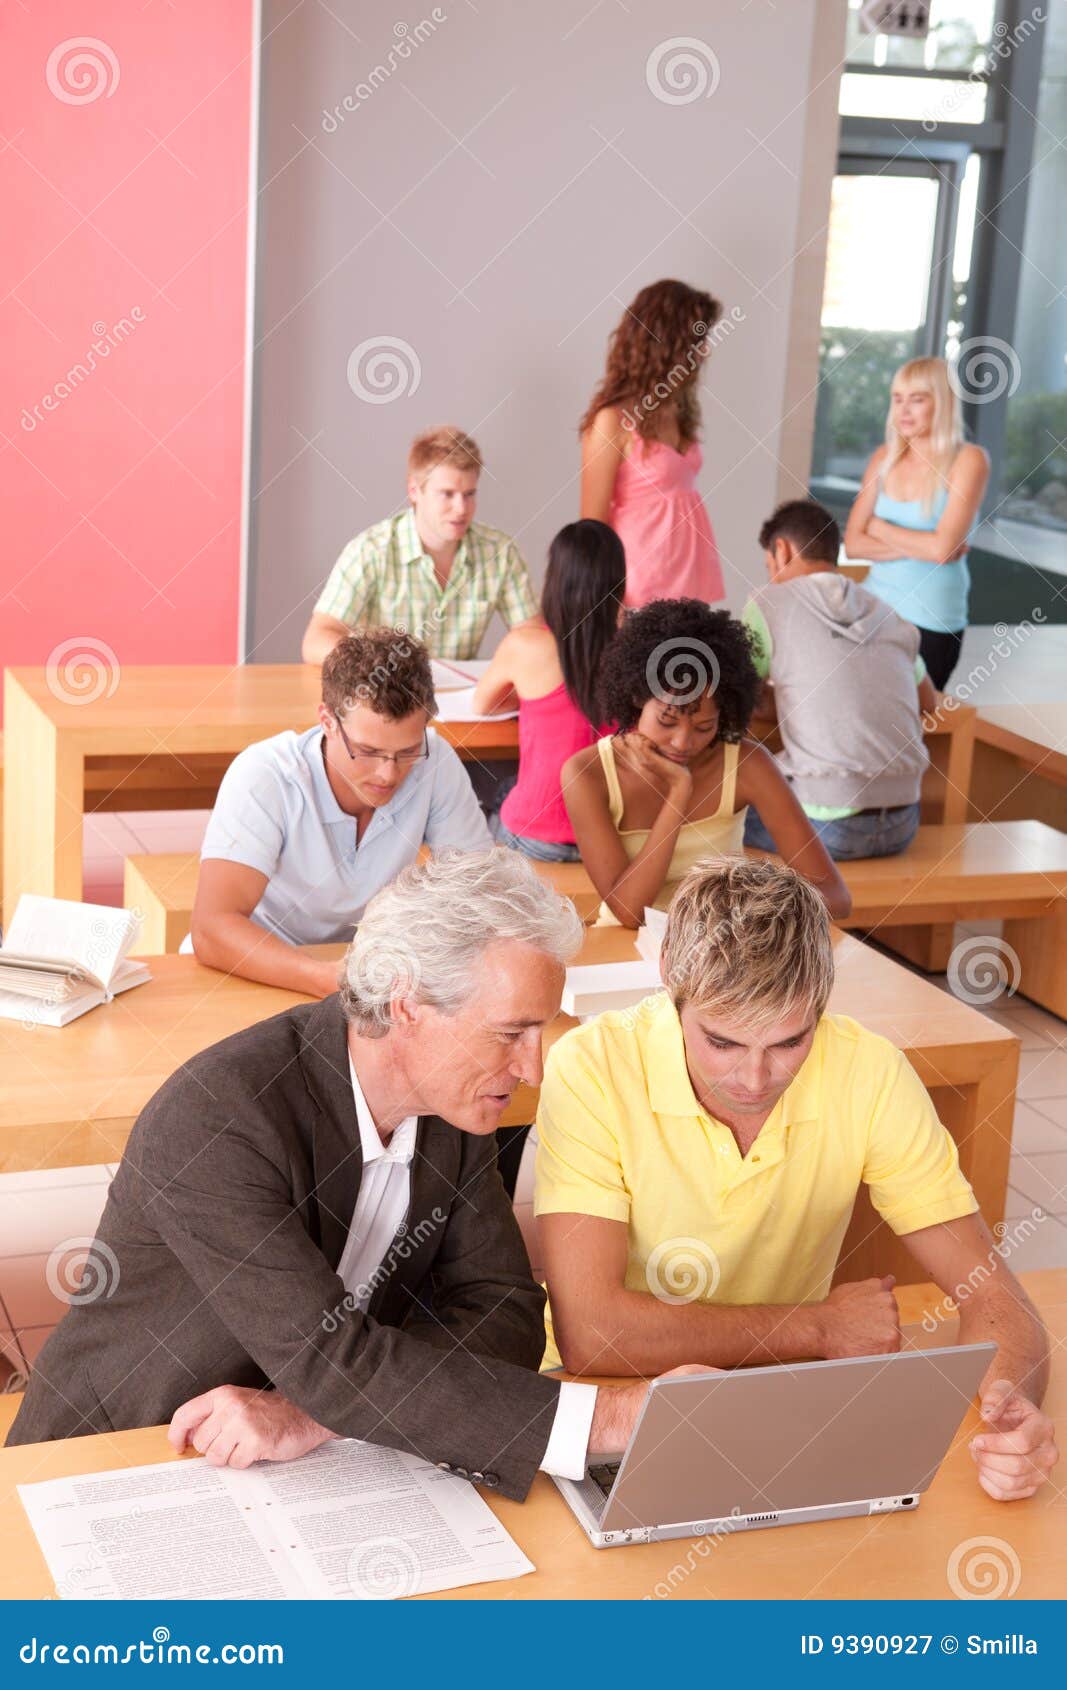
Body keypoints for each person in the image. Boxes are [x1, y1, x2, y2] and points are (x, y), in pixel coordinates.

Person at [7, 852, 707, 1489]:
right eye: (509, 1033)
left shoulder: (451, 1105)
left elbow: (506, 1313)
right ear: (406, 1006)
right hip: (126, 1452)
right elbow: (329, 1359)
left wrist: (318, 1412)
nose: (532, 1068)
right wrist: (612, 1418)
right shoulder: (219, 1114)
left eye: (539, 1031)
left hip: (307, 1466)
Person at [534, 858, 1059, 1504]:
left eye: (788, 1043)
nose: (754, 1081)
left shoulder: (870, 1072)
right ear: (669, 974)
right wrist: (817, 1327)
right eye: (722, 1043)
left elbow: (998, 1301)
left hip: (783, 1399)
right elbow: (593, 1336)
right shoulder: (591, 1067)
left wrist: (1010, 1407)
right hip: (610, 1402)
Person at [190, 629, 490, 996]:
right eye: (368, 751)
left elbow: (479, 892)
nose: (388, 774)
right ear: (327, 721)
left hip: (368, 971)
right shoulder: (265, 775)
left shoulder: (436, 760)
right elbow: (212, 928)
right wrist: (326, 978)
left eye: (407, 752)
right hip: (257, 966)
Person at [561, 599, 850, 926]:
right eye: (667, 721)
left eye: (704, 727)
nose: (683, 742)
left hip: (724, 941)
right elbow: (629, 913)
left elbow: (834, 896)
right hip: (629, 946)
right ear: (637, 698)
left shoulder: (746, 763)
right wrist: (678, 793)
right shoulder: (587, 774)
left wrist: (747, 914)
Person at [742, 499, 938, 861]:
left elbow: (739, 699)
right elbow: (927, 702)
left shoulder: (769, 602)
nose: (771, 576)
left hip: (826, 827)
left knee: (724, 822)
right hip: (904, 822)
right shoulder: (885, 611)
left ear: (782, 550)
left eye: (769, 565)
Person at [302, 425, 536, 664]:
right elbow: (316, 640)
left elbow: (533, 636)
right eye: (447, 494)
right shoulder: (370, 550)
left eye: (469, 494)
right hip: (385, 684)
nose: (461, 509)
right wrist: (375, 666)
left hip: (463, 688)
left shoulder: (500, 552)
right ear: (414, 491)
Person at [469, 520, 626, 862]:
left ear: (554, 581)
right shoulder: (635, 650)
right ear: (620, 585)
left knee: (493, 798)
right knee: (506, 788)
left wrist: (529, 695)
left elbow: (483, 704)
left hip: (536, 838)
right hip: (611, 839)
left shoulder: (525, 645)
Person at [843, 357, 989, 689]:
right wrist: (928, 545)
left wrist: (877, 527)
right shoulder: (883, 458)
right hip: (872, 610)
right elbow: (852, 544)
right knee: (862, 708)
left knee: (913, 718)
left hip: (933, 618)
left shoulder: (969, 460)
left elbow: (942, 550)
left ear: (943, 403)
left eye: (917, 399)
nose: (904, 410)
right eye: (898, 399)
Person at [579, 279, 726, 607]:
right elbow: (592, 526)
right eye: (697, 341)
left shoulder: (678, 409)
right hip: (637, 583)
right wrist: (607, 603)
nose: (705, 351)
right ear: (668, 342)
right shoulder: (611, 420)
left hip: (688, 575)